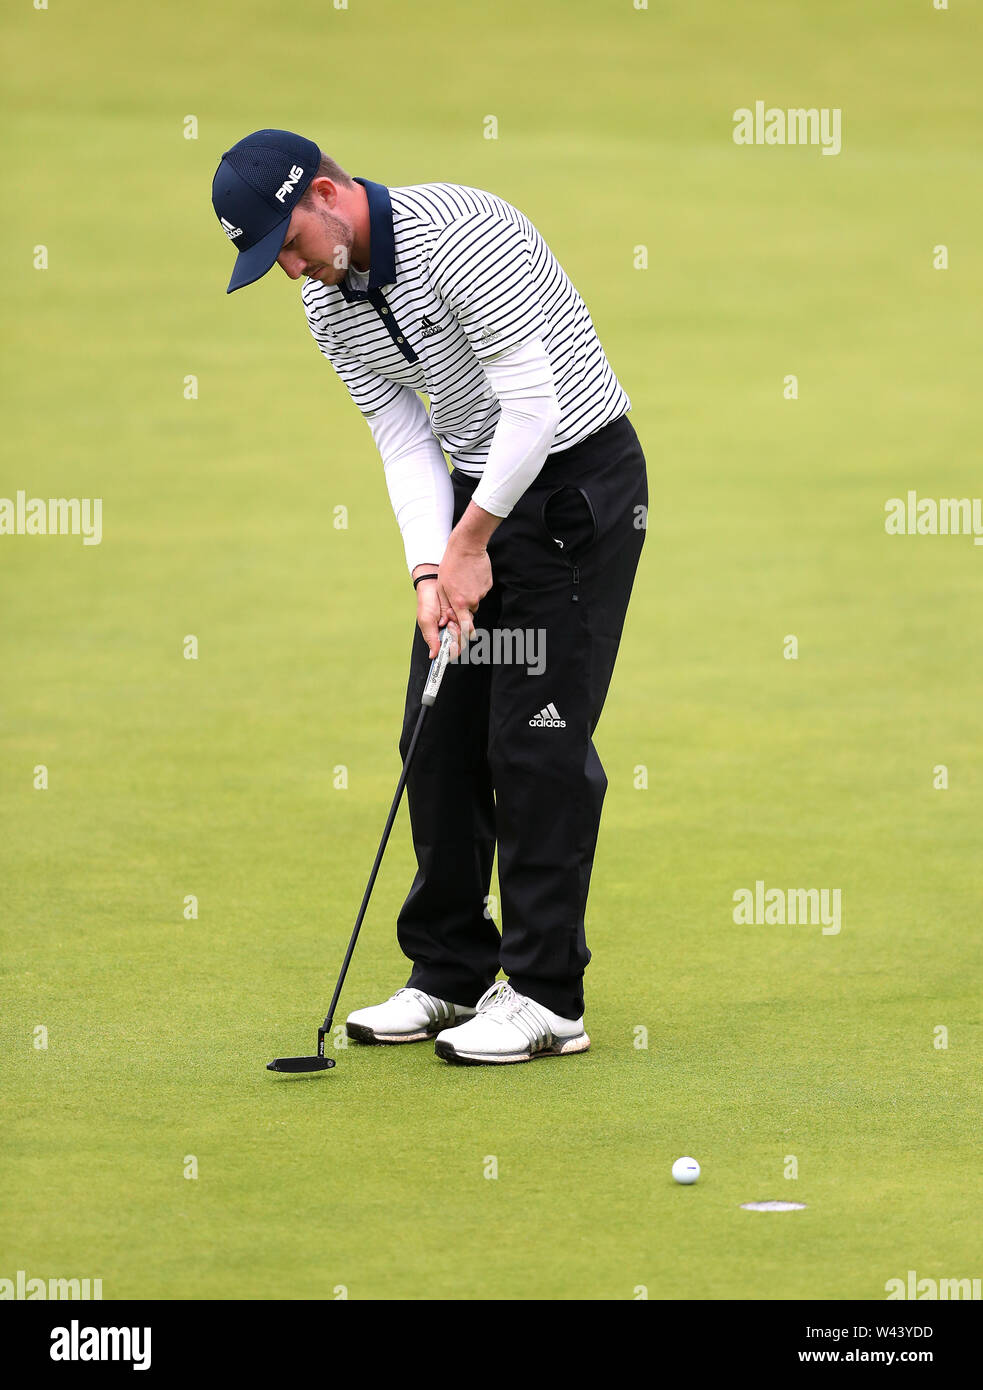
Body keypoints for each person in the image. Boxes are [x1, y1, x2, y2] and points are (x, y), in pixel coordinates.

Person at [211, 129, 647, 1065]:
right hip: (474, 504)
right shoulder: (331, 304)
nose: (290, 272)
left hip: (573, 494)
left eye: (287, 244)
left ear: (327, 193)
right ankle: (449, 973)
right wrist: (429, 568)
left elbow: (533, 410)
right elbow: (404, 438)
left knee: (533, 740)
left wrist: (470, 543)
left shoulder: (464, 233)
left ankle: (544, 997)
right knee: (437, 731)